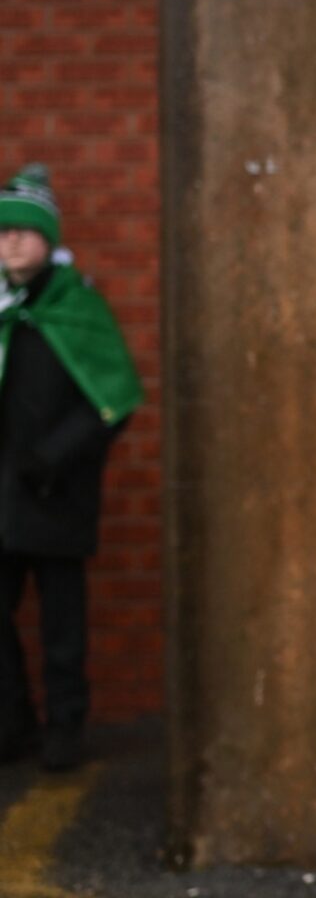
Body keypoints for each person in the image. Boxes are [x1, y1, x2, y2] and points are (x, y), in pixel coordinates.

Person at [0, 164, 142, 771]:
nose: (11, 242)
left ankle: (65, 730)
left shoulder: (76, 306)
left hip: (55, 495)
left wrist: (52, 458)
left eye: (24, 232)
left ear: (48, 238)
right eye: (3, 232)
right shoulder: (5, 313)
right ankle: (12, 727)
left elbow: (111, 399)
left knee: (62, 621)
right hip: (2, 496)